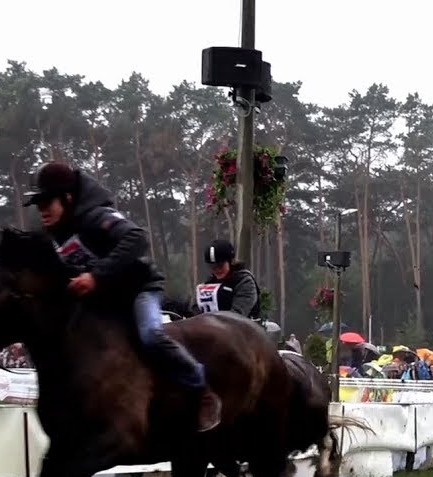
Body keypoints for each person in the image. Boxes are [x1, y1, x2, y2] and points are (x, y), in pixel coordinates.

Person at [23, 160, 222, 432]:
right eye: (39, 204)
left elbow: (136, 238)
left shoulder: (96, 216)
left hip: (140, 290)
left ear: (68, 198)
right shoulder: (55, 234)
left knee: (150, 335)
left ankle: (202, 388)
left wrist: (95, 275)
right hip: (105, 300)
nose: (42, 210)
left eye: (47, 202)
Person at [194, 239, 262, 320]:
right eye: (212, 267)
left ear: (231, 262)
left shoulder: (244, 282)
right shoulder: (208, 284)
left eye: (220, 265)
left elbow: (238, 315)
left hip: (243, 330)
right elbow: (195, 311)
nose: (216, 270)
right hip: (209, 329)